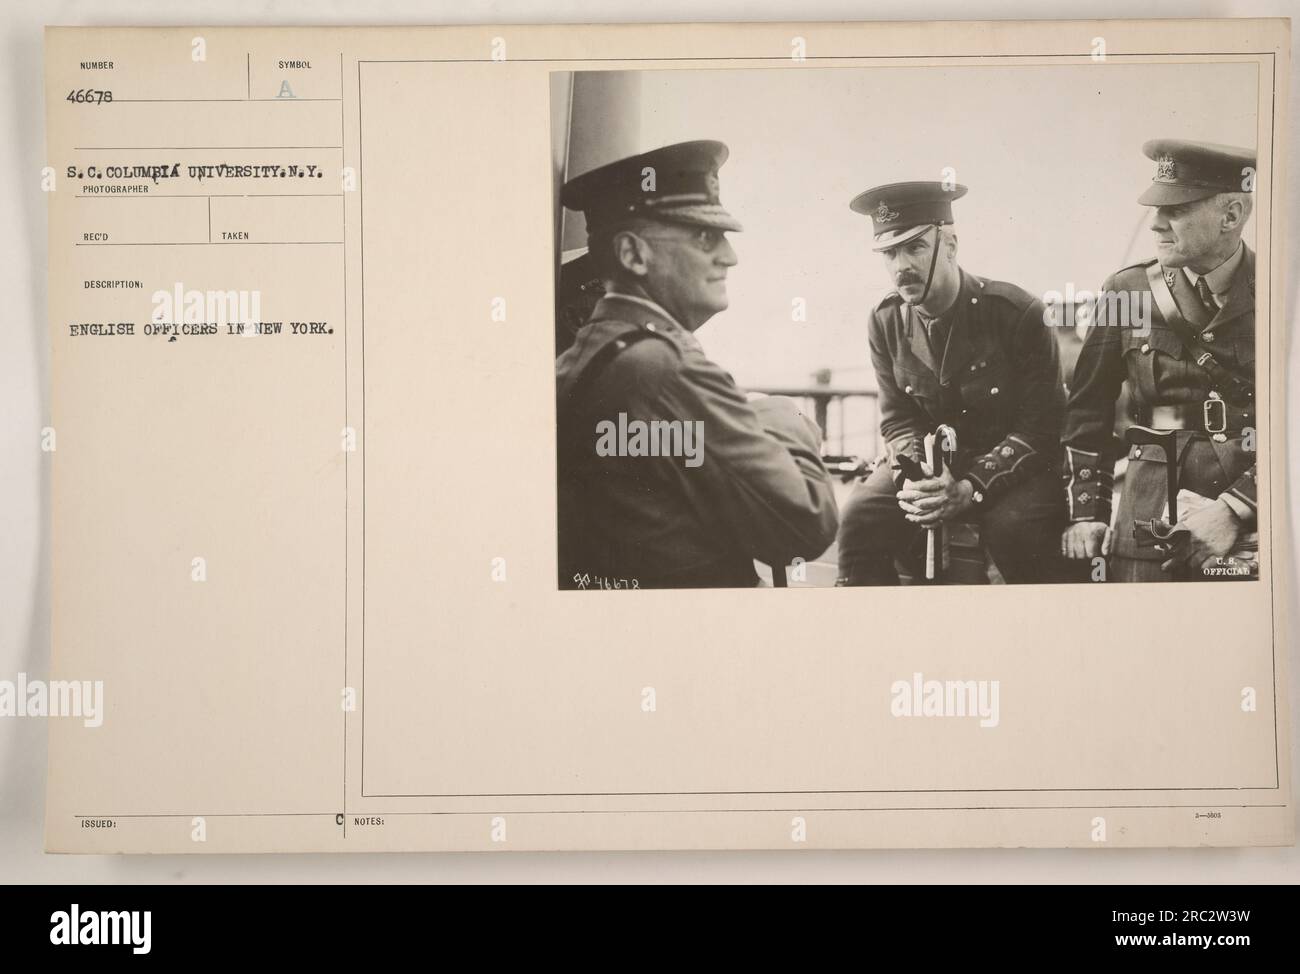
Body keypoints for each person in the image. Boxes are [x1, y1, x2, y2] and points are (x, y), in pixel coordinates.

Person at [556, 140, 837, 589]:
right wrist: (786, 418)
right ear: (633, 255)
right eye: (705, 236)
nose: (730, 255)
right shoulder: (667, 368)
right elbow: (803, 524)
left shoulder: (589, 354)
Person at [836, 181, 1066, 585]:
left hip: (1014, 467)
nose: (900, 265)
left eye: (915, 247)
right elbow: (897, 419)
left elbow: (1041, 429)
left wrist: (970, 487)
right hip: (930, 467)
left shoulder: (1017, 313)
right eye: (889, 252)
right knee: (859, 518)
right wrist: (915, 479)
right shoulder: (885, 320)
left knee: (1015, 532)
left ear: (951, 246)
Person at [1061, 139, 1257, 580]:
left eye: (1177, 209)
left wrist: (1236, 507)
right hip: (1148, 502)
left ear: (1231, 216)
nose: (1157, 224)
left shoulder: (1280, 292)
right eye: (1156, 209)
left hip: (1252, 514)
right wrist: (1087, 511)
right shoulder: (1126, 291)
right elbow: (1087, 408)